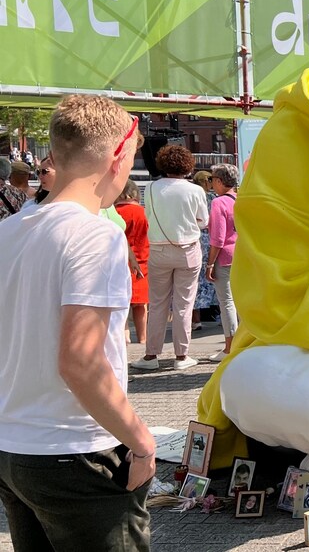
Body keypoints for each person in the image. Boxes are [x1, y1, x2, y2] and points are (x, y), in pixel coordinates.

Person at [0, 95, 155, 551]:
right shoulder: (96, 233)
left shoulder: (9, 232)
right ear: (118, 154)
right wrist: (142, 442)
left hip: (15, 448)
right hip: (74, 451)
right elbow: (81, 362)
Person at [133, 145, 209, 371]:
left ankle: (151, 355)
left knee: (157, 304)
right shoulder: (195, 190)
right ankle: (181, 355)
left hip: (158, 249)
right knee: (184, 304)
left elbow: (149, 215)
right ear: (187, 165)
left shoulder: (153, 187)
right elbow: (204, 221)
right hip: (187, 249)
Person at [205, 163, 239, 362]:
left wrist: (209, 264)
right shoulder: (240, 200)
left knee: (226, 302)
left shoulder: (219, 203)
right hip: (241, 256)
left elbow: (217, 238)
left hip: (224, 256)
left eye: (212, 180)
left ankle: (229, 347)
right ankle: (241, 344)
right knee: (240, 302)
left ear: (219, 181)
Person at [115, 181, 150, 347]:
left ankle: (125, 337)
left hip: (120, 260)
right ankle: (143, 337)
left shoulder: (114, 212)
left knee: (122, 303)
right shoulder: (143, 212)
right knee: (141, 304)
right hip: (142, 258)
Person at [192, 170, 217, 332]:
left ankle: (196, 320)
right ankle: (224, 317)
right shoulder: (212, 199)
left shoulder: (193, 196)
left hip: (197, 238)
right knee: (214, 278)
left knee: (196, 281)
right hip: (211, 240)